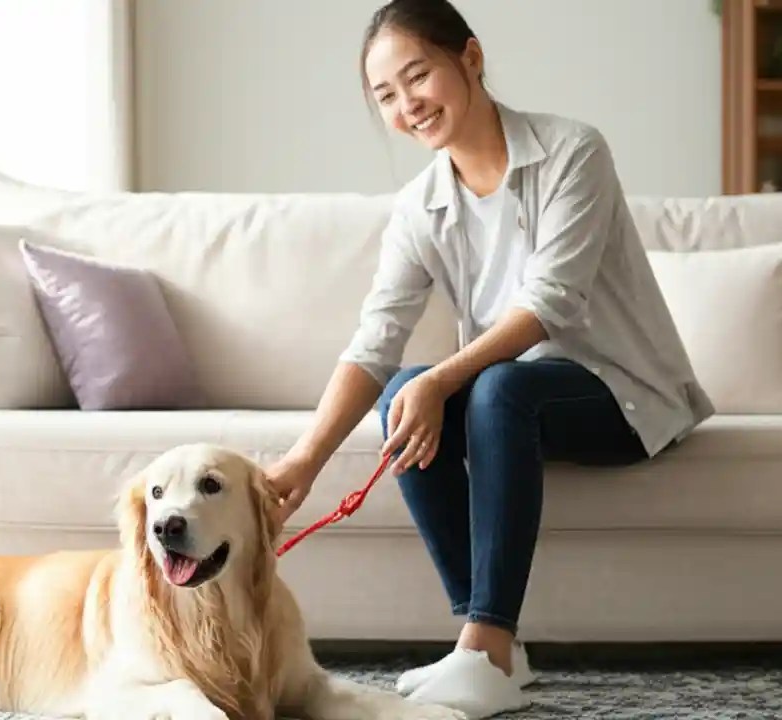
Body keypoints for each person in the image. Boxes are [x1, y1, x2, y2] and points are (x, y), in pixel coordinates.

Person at [266, 1, 714, 718]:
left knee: (490, 386)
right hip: (507, 397)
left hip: (624, 394)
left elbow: (551, 304)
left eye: (419, 76)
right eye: (386, 95)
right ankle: (490, 643)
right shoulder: (419, 208)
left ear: (469, 58)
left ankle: (485, 648)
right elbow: (376, 340)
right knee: (405, 393)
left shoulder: (574, 151)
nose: (408, 104)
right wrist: (303, 461)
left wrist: (445, 379)